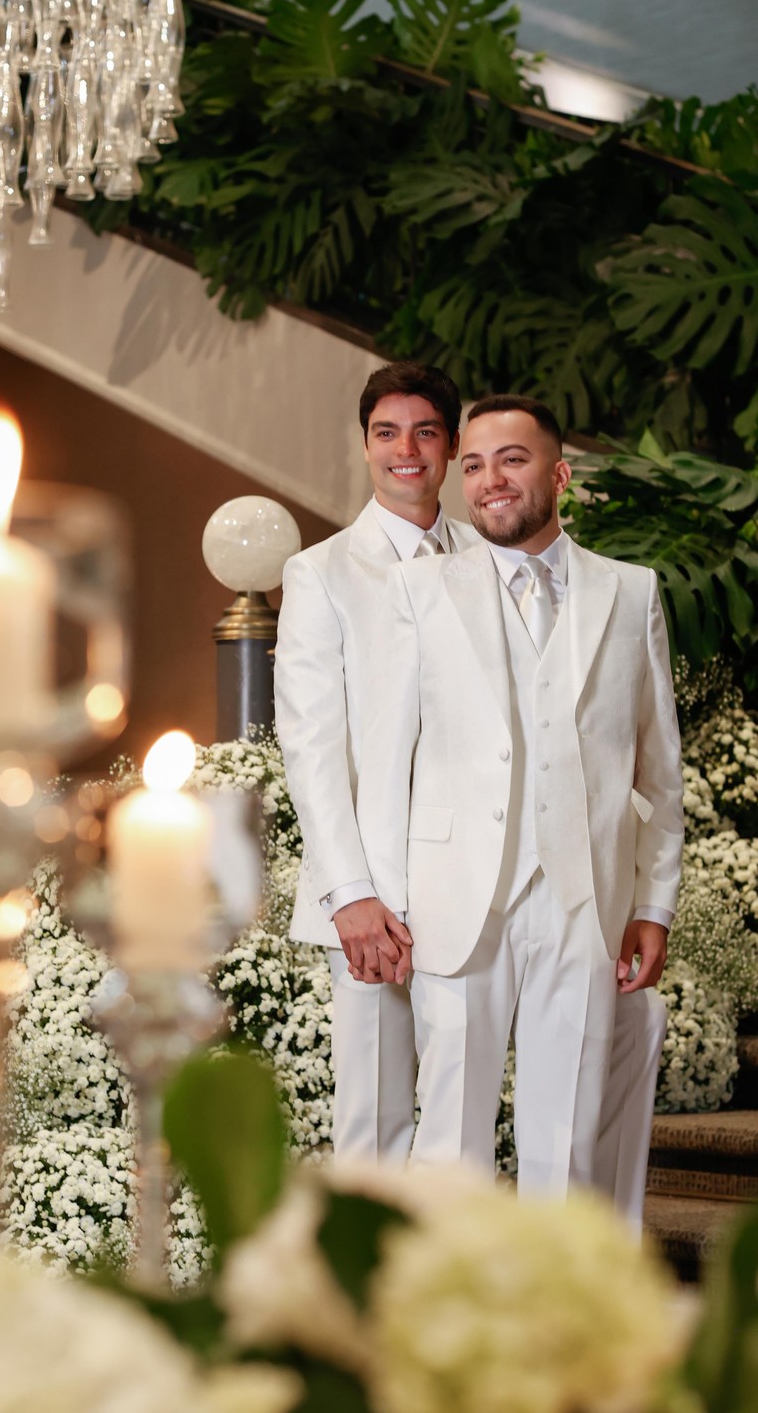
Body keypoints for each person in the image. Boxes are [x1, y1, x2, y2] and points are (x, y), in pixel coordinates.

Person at [354, 393, 683, 1201]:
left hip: (584, 903)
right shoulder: (418, 593)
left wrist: (655, 905)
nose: (490, 480)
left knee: (567, 1146)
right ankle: (444, 1323)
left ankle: (554, 1323)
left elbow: (658, 771)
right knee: (448, 1150)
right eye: (474, 465)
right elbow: (382, 759)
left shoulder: (630, 592)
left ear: (560, 473)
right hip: (454, 902)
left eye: (513, 460)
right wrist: (372, 896)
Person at [275, 360, 475, 1161]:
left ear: (451, 447)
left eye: (425, 432)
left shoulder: (485, 562)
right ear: (365, 446)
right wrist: (349, 896)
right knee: (376, 1122)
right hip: (374, 893)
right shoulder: (321, 573)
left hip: (470, 880)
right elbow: (312, 745)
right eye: (387, 433)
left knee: (461, 1120)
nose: (406, 450)